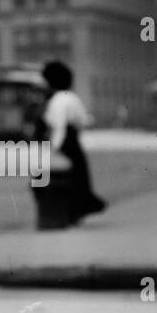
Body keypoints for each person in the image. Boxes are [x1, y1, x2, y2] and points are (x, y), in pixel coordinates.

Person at [36, 60, 105, 228]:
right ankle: (74, 213)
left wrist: (53, 149)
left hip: (63, 145)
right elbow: (83, 121)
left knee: (45, 180)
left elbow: (58, 128)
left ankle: (61, 214)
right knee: (78, 180)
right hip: (74, 146)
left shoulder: (58, 100)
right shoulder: (72, 98)